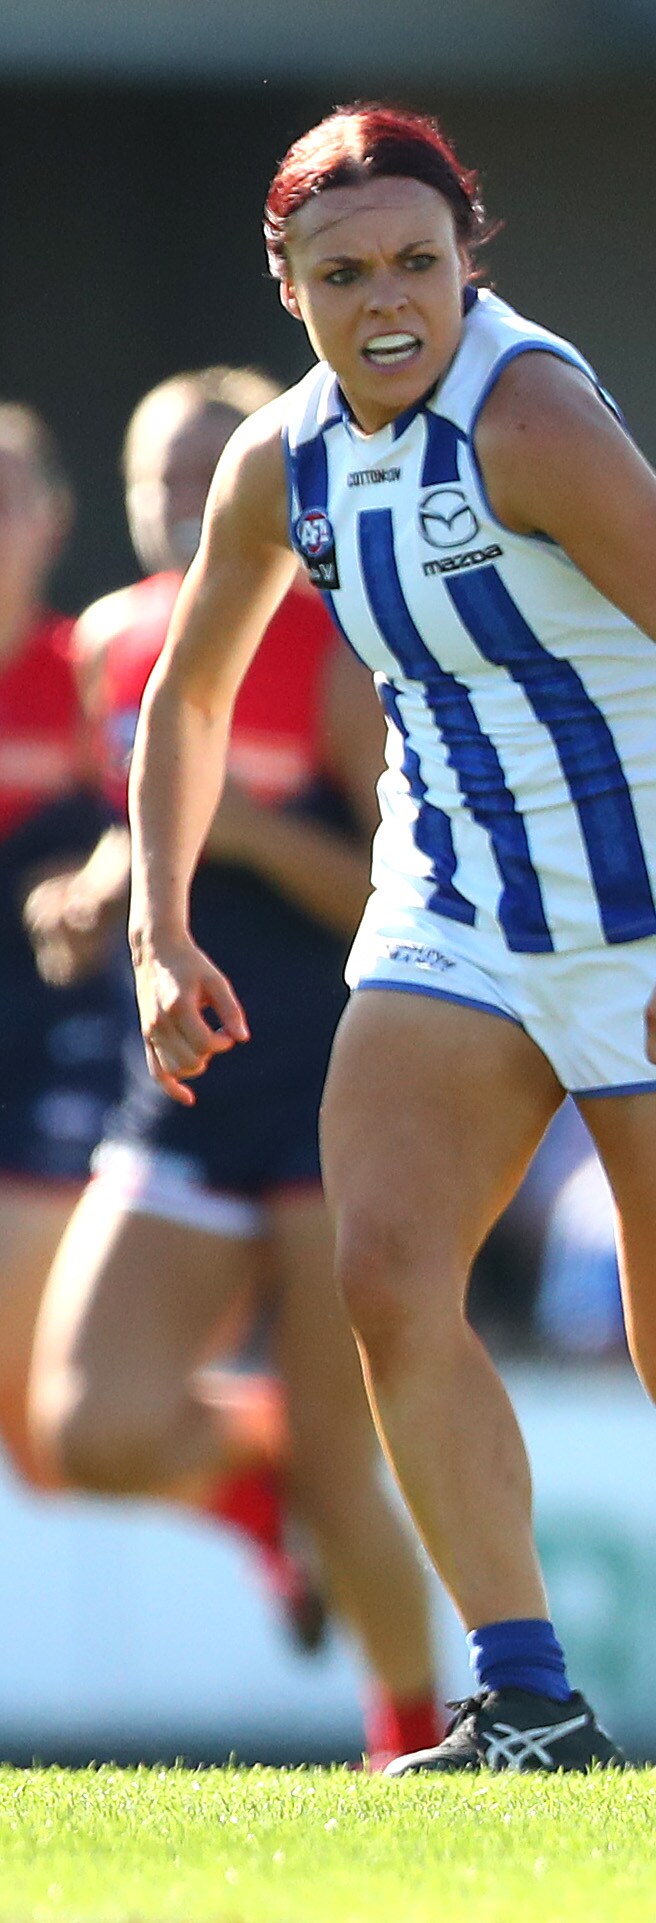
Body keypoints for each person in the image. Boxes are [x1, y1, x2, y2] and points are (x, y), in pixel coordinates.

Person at [132, 103, 656, 1774]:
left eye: (418, 262)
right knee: (386, 1273)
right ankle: (528, 1696)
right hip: (452, 908)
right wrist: (161, 930)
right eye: (343, 275)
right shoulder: (279, 462)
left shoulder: (528, 418)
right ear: (287, 287)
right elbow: (190, 692)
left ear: (469, 259)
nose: (388, 301)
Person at [23, 368, 444, 1765]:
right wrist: (101, 893)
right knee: (86, 1430)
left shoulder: (332, 643)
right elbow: (138, 823)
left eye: (210, 472)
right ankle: (263, 1481)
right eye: (157, 477)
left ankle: (412, 1738)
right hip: (181, 1093)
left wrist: (253, 836)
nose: (180, 502)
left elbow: (404, 883)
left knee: (348, 1461)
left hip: (331, 1099)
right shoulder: (114, 642)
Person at [0, 408, 127, 1488]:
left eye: (5, 498)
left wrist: (81, 888)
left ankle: (280, 1462)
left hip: (59, 1035)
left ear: (53, 517)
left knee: (38, 1400)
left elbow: (144, 832)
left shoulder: (90, 666)